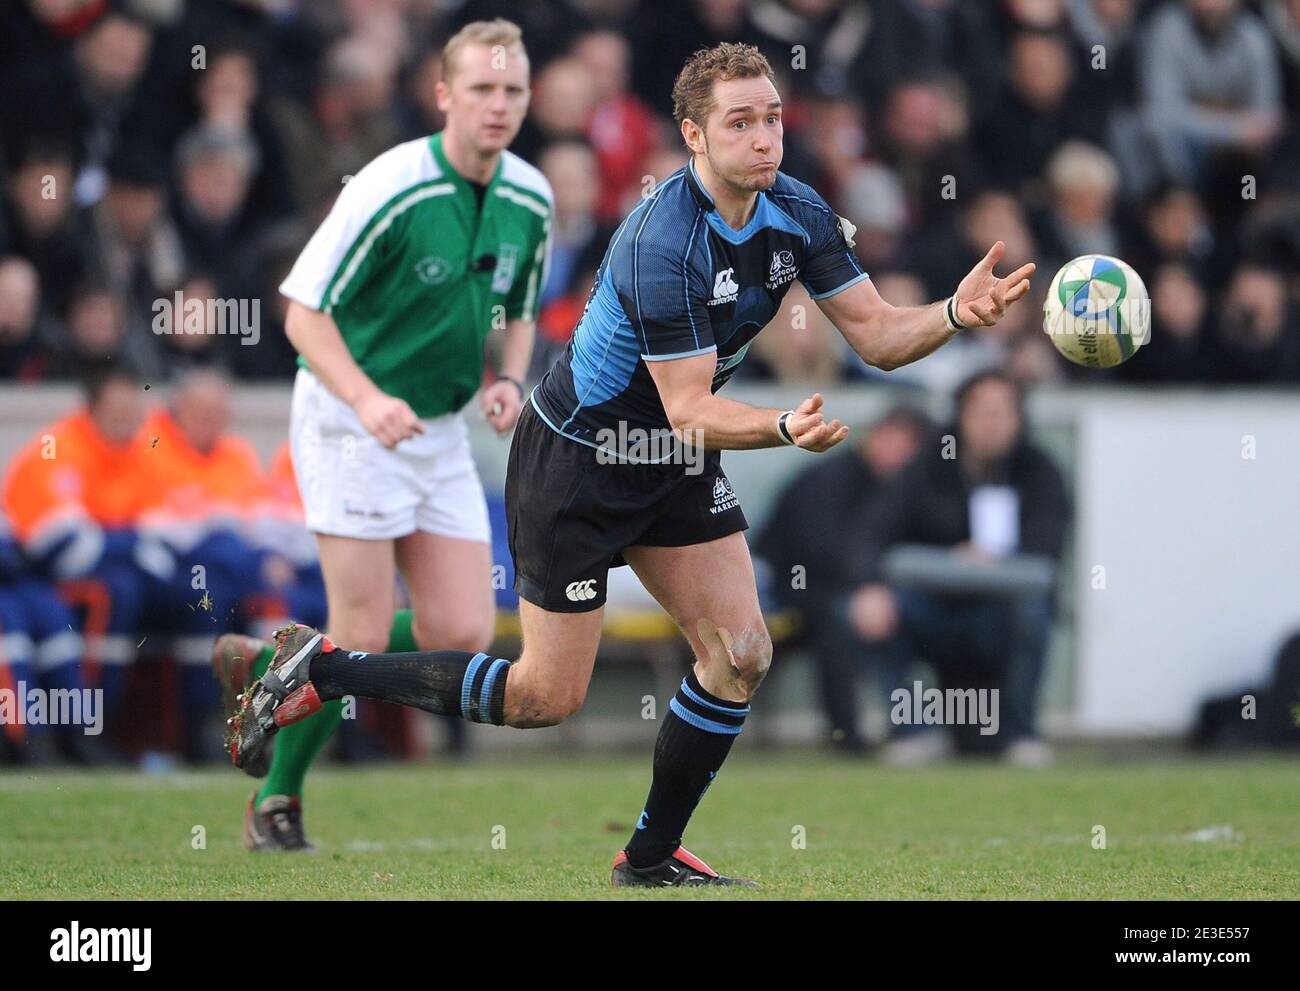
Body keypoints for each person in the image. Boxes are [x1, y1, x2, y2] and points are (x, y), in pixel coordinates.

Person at [224, 42, 1034, 886]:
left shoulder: (796, 210)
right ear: (692, 134)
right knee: (543, 697)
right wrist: (781, 426)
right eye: (740, 123)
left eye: (772, 120)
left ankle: (649, 856)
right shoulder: (663, 240)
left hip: (674, 459)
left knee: (742, 651)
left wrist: (952, 312)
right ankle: (319, 669)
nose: (765, 139)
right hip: (580, 462)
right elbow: (689, 406)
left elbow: (875, 334)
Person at [211, 18, 552, 852]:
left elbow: (519, 308)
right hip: (346, 417)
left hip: (433, 426)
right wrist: (364, 400)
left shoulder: (532, 196)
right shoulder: (389, 185)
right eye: (480, 89)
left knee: (461, 631)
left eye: (511, 90)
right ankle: (276, 803)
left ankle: (277, 664)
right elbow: (301, 314)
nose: (497, 105)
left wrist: (507, 376)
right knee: (360, 630)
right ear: (443, 95)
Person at [843, 370, 1070, 766]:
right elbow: (873, 533)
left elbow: (1045, 559)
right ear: (961, 416)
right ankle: (912, 732)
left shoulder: (1042, 472)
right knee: (872, 607)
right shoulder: (928, 466)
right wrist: (870, 586)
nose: (990, 423)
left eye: (1001, 413)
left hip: (1000, 615)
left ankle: (1022, 735)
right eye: (980, 412)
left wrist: (994, 566)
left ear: (1019, 419)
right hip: (935, 610)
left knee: (1034, 609)